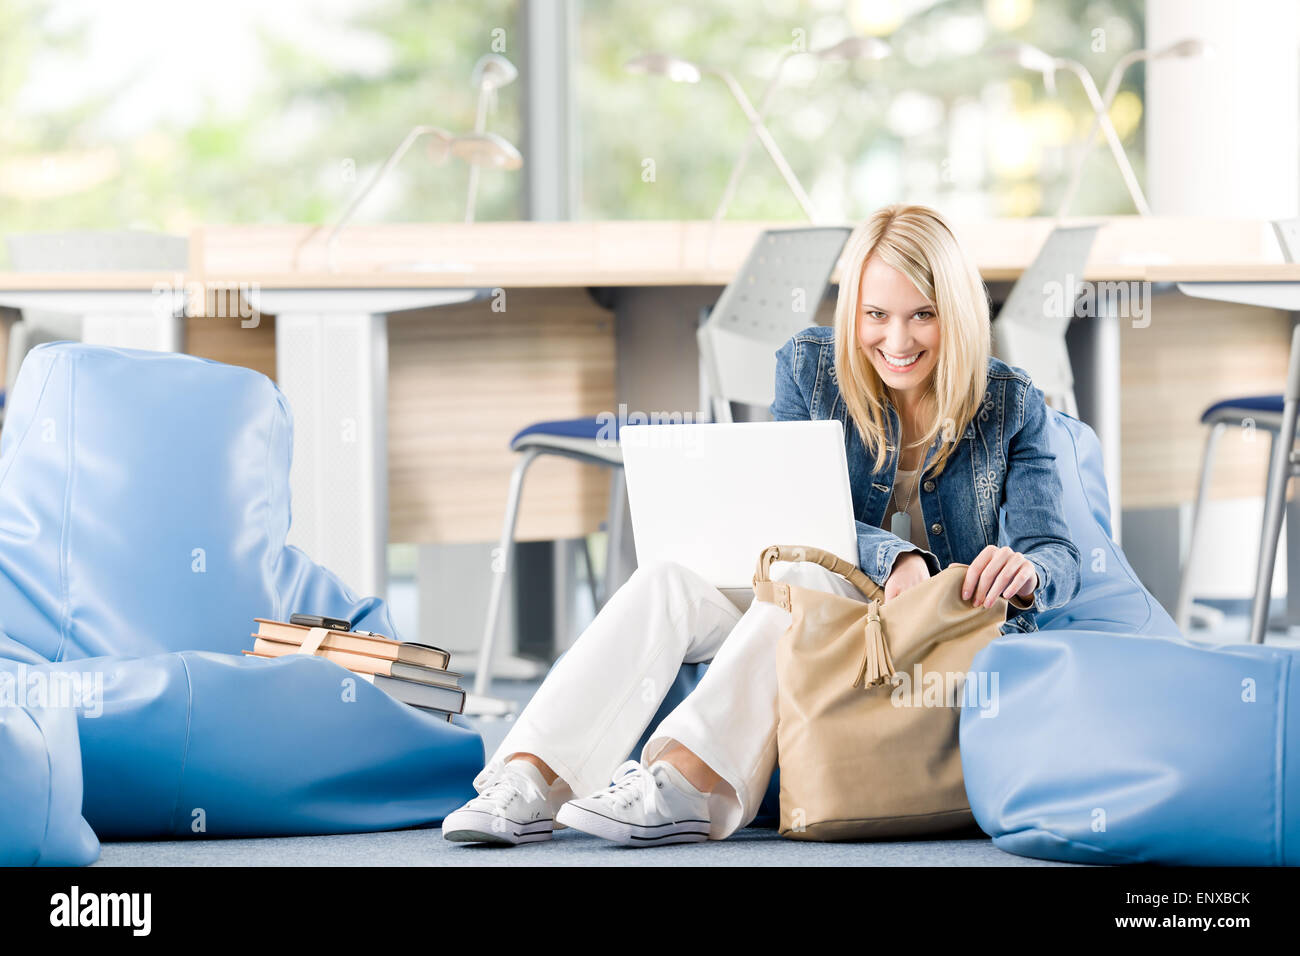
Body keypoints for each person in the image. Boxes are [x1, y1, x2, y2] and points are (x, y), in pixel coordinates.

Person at [441, 203, 1082, 848]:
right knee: (669, 580)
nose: (897, 340)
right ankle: (530, 779)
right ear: (851, 311)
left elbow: (1056, 551)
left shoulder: (1011, 403)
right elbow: (800, 515)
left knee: (800, 575)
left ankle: (685, 783)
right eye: (875, 315)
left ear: (959, 314)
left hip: (923, 638)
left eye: (923, 314)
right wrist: (897, 559)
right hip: (825, 608)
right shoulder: (810, 369)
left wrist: (1031, 571)